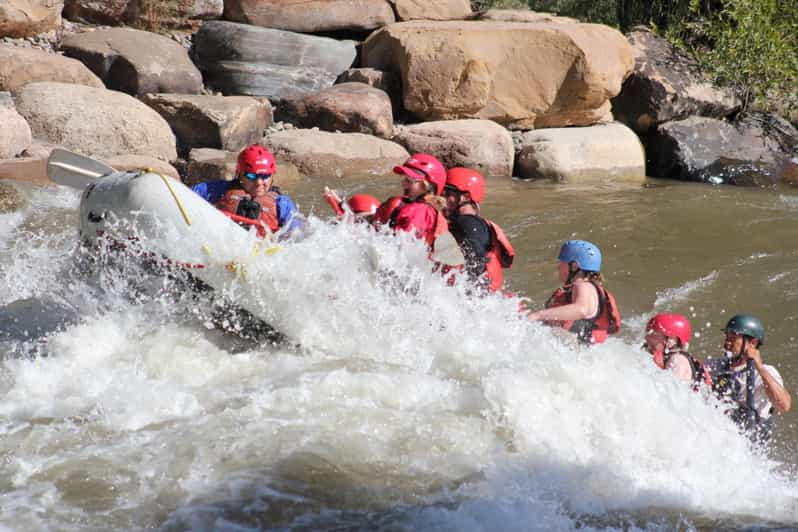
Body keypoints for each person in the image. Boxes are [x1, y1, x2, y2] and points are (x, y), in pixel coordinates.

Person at [706, 314, 791, 443]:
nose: (727, 341)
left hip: (748, 441)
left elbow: (784, 405)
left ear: (753, 342)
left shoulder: (765, 372)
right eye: (727, 335)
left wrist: (759, 368)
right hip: (720, 434)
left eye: (733, 336)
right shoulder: (718, 366)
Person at [191, 144, 300, 236]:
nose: (259, 183)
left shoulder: (283, 204)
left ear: (272, 175)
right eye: (251, 176)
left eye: (265, 176)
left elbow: (298, 235)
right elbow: (185, 196)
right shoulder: (217, 189)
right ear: (239, 175)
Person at [527, 240, 620, 345]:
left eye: (562, 263)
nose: (558, 267)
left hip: (576, 352)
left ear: (574, 266)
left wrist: (538, 315)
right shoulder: (592, 289)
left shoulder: (583, 285)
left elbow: (582, 310)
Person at [440, 167, 514, 292]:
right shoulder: (470, 222)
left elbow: (477, 259)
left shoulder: (467, 222)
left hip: (477, 296)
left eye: (447, 194)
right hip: (484, 295)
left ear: (466, 197)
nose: (442, 199)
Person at [384, 153, 449, 247]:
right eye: (404, 179)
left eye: (409, 181)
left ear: (426, 186)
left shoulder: (419, 211)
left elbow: (403, 247)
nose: (403, 184)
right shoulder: (429, 210)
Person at [643, 313, 711, 388]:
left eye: (654, 334)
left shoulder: (678, 362)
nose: (647, 338)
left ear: (670, 340)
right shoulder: (666, 358)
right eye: (648, 333)